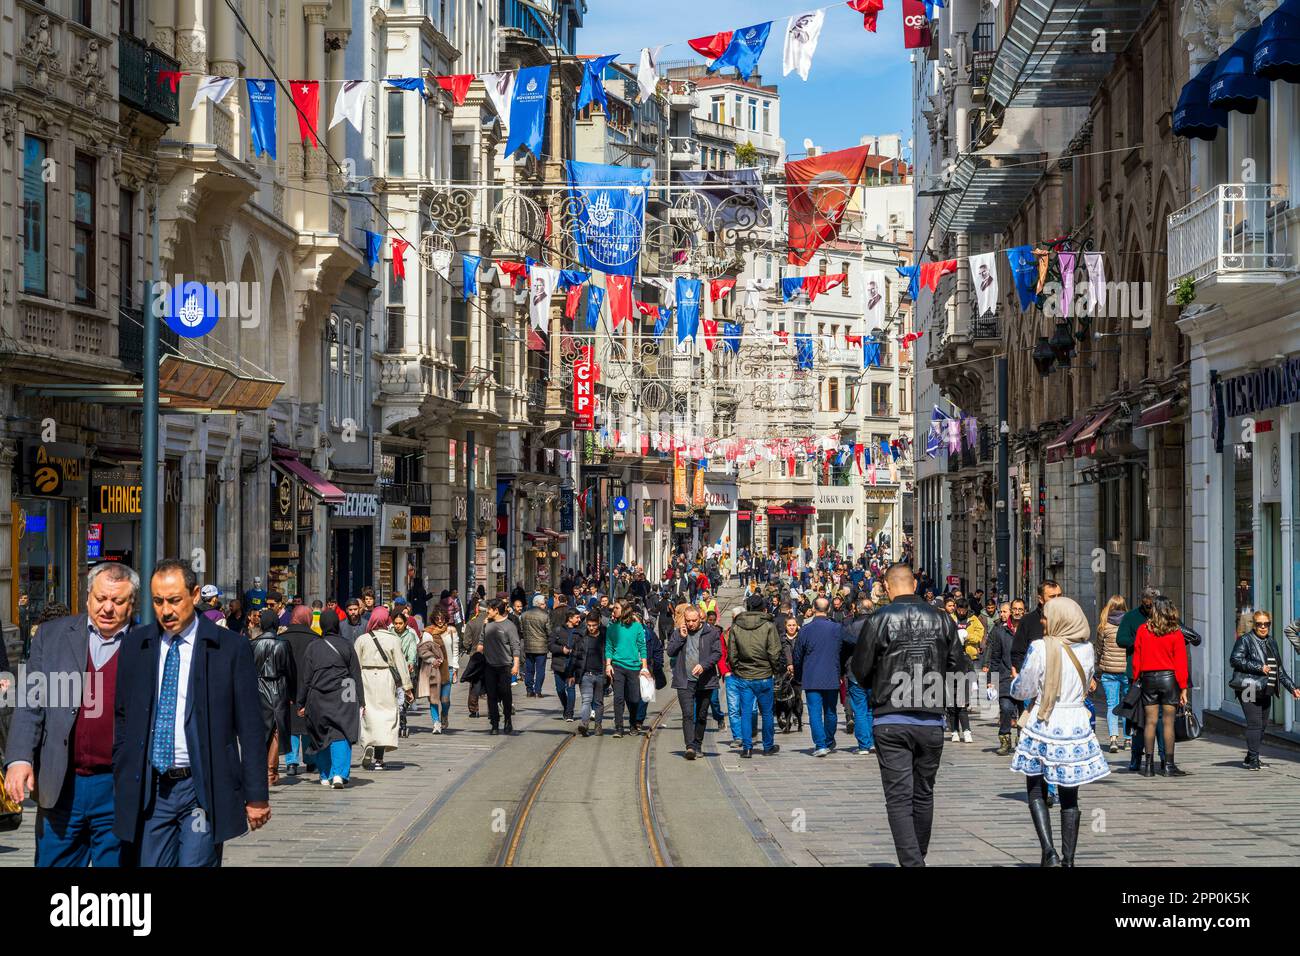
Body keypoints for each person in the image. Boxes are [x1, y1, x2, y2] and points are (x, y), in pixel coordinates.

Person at [113, 559, 270, 866]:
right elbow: (123, 715)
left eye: (174, 600)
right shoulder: (136, 644)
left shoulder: (228, 647)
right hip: (152, 787)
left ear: (195, 594)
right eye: (158, 601)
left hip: (202, 786)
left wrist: (256, 795)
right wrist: (123, 761)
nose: (166, 611)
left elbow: (251, 728)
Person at [5, 563, 138, 866]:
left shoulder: (147, 644)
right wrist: (20, 759)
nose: (107, 608)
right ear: (88, 596)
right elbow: (30, 703)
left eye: (117, 601)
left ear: (131, 604)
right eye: (101, 598)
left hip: (117, 788)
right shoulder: (52, 637)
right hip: (62, 783)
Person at [850, 564, 964, 868]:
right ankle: (917, 858)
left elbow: (859, 670)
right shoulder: (942, 619)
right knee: (924, 792)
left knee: (899, 797)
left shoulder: (878, 619)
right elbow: (959, 668)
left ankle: (913, 863)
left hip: (890, 719)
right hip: (930, 719)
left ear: (887, 588)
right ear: (914, 583)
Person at [1009, 597, 1109, 866]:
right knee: (1069, 793)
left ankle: (1048, 851)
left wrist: (1013, 685)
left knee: (1035, 787)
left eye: (1046, 616)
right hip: (1074, 723)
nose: (1042, 620)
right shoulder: (1087, 650)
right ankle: (1069, 859)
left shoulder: (1041, 648)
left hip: (1045, 720)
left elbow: (1024, 689)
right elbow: (1087, 683)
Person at [299, 611, 363, 788]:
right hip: (344, 693)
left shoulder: (313, 646)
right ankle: (339, 774)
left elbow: (306, 678)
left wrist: (300, 701)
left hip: (318, 695)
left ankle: (325, 774)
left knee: (321, 733)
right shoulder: (347, 645)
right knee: (342, 731)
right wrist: (361, 701)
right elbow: (355, 674)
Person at [1132, 597, 1191, 778]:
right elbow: (1181, 662)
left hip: (1149, 678)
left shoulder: (1143, 630)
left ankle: (1148, 766)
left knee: (1150, 722)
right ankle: (1169, 765)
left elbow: (1137, 657)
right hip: (1169, 678)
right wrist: (1183, 687)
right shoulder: (1175, 632)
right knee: (1168, 723)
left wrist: (1136, 678)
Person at [1233, 611, 1300, 770]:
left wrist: (1292, 688)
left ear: (1270, 625)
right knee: (1254, 724)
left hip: (1266, 687)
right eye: (1259, 624)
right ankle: (1254, 760)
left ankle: (1250, 756)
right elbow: (1235, 659)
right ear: (1254, 625)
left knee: (1262, 725)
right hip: (1248, 686)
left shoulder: (1271, 642)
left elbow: (1279, 670)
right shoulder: (1245, 640)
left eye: (1266, 624)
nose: (1263, 627)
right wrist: (1258, 667)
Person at [726, 594, 784, 758]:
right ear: (763, 608)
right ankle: (767, 746)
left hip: (744, 675)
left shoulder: (736, 625)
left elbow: (732, 653)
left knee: (745, 712)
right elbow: (774, 651)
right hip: (764, 675)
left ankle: (747, 748)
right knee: (766, 713)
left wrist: (737, 669)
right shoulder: (768, 625)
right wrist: (774, 669)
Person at [355, 607, 412, 771]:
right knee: (385, 717)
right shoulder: (394, 640)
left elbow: (355, 664)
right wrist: (407, 688)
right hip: (386, 679)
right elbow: (401, 664)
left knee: (368, 715)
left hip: (366, 678)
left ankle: (367, 746)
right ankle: (379, 759)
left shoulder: (362, 639)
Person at [793, 597, 849, 757]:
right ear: (829, 608)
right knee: (831, 711)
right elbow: (843, 651)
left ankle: (820, 744)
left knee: (815, 712)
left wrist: (798, 675)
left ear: (813, 608)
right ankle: (829, 740)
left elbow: (797, 655)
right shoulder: (838, 628)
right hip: (832, 674)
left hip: (811, 676)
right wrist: (842, 672)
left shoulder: (805, 629)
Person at [666, 606, 722, 760]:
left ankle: (698, 744)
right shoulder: (679, 632)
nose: (690, 624)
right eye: (688, 620)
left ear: (700, 618)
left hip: (705, 680)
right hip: (685, 680)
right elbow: (670, 651)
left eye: (694, 620)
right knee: (688, 714)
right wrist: (681, 638)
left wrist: (704, 665)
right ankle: (690, 746)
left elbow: (717, 653)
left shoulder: (711, 632)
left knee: (702, 715)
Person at [1115, 587, 1161, 771]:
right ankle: (1136, 757)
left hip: (1160, 673)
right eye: (1147, 605)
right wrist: (1140, 641)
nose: (1150, 609)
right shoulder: (1131, 617)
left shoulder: (1163, 616)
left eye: (1153, 606)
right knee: (1138, 720)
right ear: (1142, 601)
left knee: (1161, 720)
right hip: (1138, 675)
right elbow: (1121, 639)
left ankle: (1165, 758)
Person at [251, 607, 297, 787]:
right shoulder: (283, 644)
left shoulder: (252, 644)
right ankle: (271, 772)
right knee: (277, 731)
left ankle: (262, 771)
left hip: (257, 689)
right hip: (279, 689)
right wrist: (294, 693)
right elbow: (291, 671)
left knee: (260, 732)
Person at [278, 605, 317, 776]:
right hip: (309, 689)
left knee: (291, 724)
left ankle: (291, 762)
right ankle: (310, 760)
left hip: (288, 689)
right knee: (308, 724)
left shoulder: (282, 638)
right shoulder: (315, 639)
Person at [476, 599, 521, 736]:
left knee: (506, 695)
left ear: (496, 610)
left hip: (505, 666)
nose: (487, 611)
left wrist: (516, 665)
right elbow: (481, 642)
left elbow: (515, 646)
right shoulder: (487, 625)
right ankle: (494, 723)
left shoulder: (509, 626)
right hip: (489, 666)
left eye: (489, 609)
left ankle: (508, 720)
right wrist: (477, 656)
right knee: (492, 696)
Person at [604, 600, 649, 738]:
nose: (613, 611)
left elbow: (642, 647)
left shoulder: (636, 627)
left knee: (634, 698)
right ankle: (619, 727)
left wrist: (644, 667)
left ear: (624, 610)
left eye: (616, 608)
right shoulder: (612, 628)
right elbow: (609, 647)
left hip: (634, 667)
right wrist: (608, 664)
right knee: (618, 698)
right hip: (617, 666)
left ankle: (633, 723)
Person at [981, 602, 1021, 756]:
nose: (1016, 612)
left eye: (1019, 610)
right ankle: (1005, 740)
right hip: (1005, 677)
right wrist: (991, 679)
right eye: (1014, 609)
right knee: (1006, 708)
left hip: (1024, 679)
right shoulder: (1000, 631)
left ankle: (1022, 740)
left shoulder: (1027, 631)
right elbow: (995, 656)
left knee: (1024, 713)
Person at [1094, 594, 1130, 753]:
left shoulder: (1104, 625)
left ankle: (1113, 739)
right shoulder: (1129, 624)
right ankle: (1128, 739)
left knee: (1112, 705)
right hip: (1126, 671)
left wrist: (1098, 665)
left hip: (1108, 671)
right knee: (1128, 705)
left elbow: (1099, 649)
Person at [947, 598, 984, 744]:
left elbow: (980, 636)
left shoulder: (974, 620)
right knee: (952, 700)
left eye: (964, 609)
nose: (961, 611)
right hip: (951, 659)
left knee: (962, 698)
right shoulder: (950, 618)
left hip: (968, 657)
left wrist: (968, 636)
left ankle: (966, 729)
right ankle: (954, 730)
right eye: (959, 609)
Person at [420, 607, 457, 733]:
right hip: (433, 668)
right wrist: (432, 660)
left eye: (442, 618)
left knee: (445, 699)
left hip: (449, 668)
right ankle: (436, 722)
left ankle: (444, 714)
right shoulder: (427, 632)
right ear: (433, 619)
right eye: (437, 618)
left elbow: (455, 649)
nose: (440, 620)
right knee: (434, 697)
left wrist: (455, 667)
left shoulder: (451, 630)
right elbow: (424, 650)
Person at [574, 612, 607, 736]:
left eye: (594, 625)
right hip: (586, 674)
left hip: (600, 674)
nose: (591, 628)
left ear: (598, 624)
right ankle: (584, 724)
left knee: (598, 702)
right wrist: (571, 674)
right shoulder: (582, 637)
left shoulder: (604, 637)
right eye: (589, 625)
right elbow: (575, 656)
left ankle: (598, 725)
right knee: (586, 700)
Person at [548, 608, 584, 722]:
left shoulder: (580, 632)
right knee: (559, 689)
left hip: (572, 666)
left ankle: (569, 713)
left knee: (571, 688)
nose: (579, 619)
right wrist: (561, 649)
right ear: (570, 618)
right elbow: (550, 645)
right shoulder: (558, 630)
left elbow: (583, 648)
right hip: (559, 664)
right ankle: (566, 708)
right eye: (577, 617)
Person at [520, 595, 552, 699]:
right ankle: (538, 691)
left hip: (528, 646)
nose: (545, 605)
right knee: (540, 669)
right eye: (543, 603)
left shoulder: (524, 615)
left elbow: (521, 630)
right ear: (538, 604)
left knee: (529, 669)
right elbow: (549, 631)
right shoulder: (545, 616)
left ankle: (529, 690)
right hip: (541, 647)